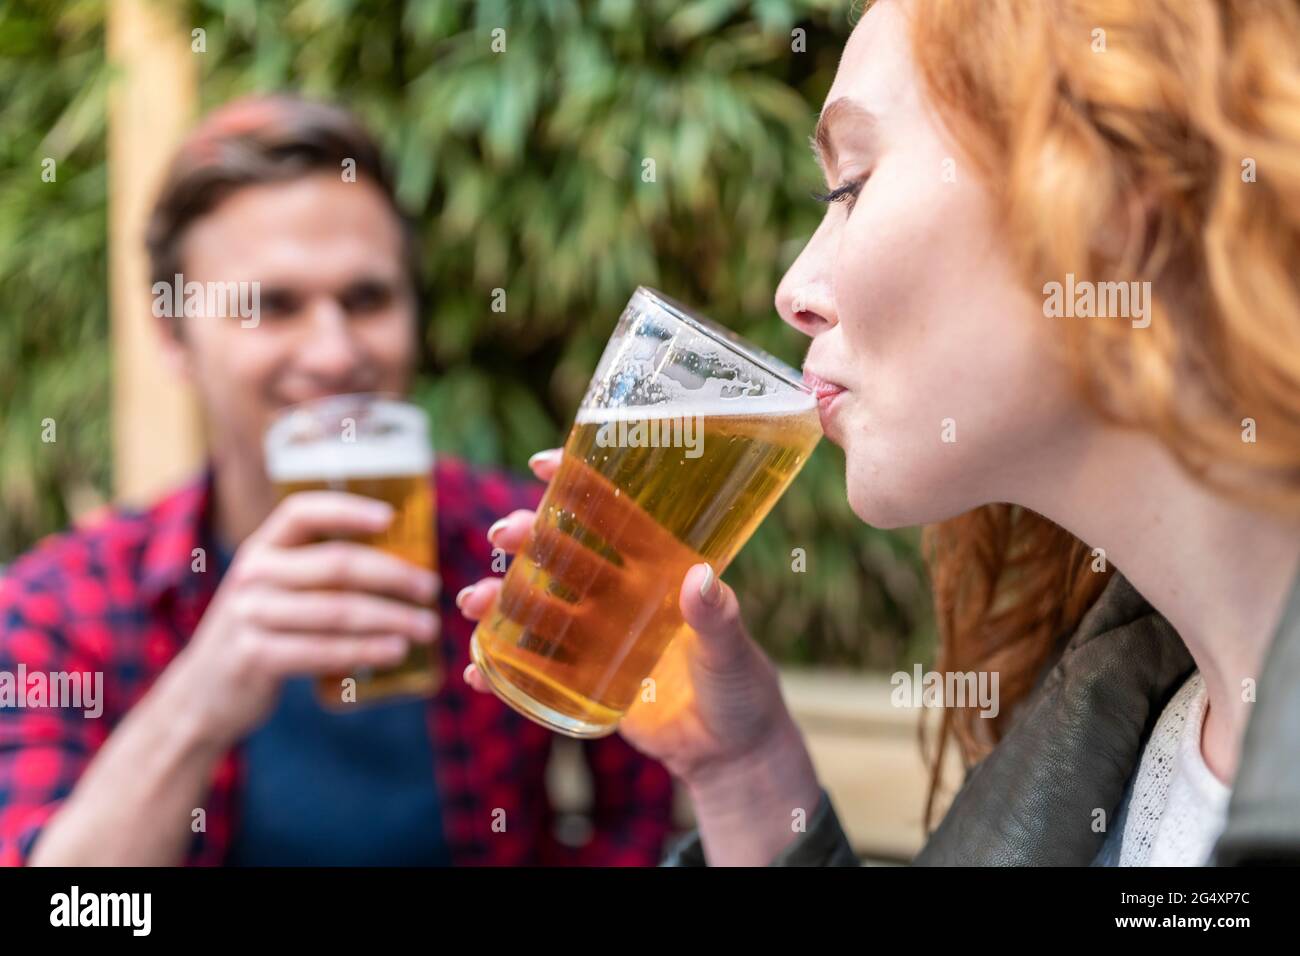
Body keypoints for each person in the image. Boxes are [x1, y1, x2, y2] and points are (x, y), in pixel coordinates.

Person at [458, 0, 1300, 865]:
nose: (795, 290)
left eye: (850, 187)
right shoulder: (1126, 717)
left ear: (1121, 198)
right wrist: (744, 772)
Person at [0, 95, 673, 866]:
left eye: (367, 299)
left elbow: (641, 818)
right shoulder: (61, 606)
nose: (333, 352)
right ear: (174, 338)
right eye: (272, 306)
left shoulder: (520, 542)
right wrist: (200, 699)